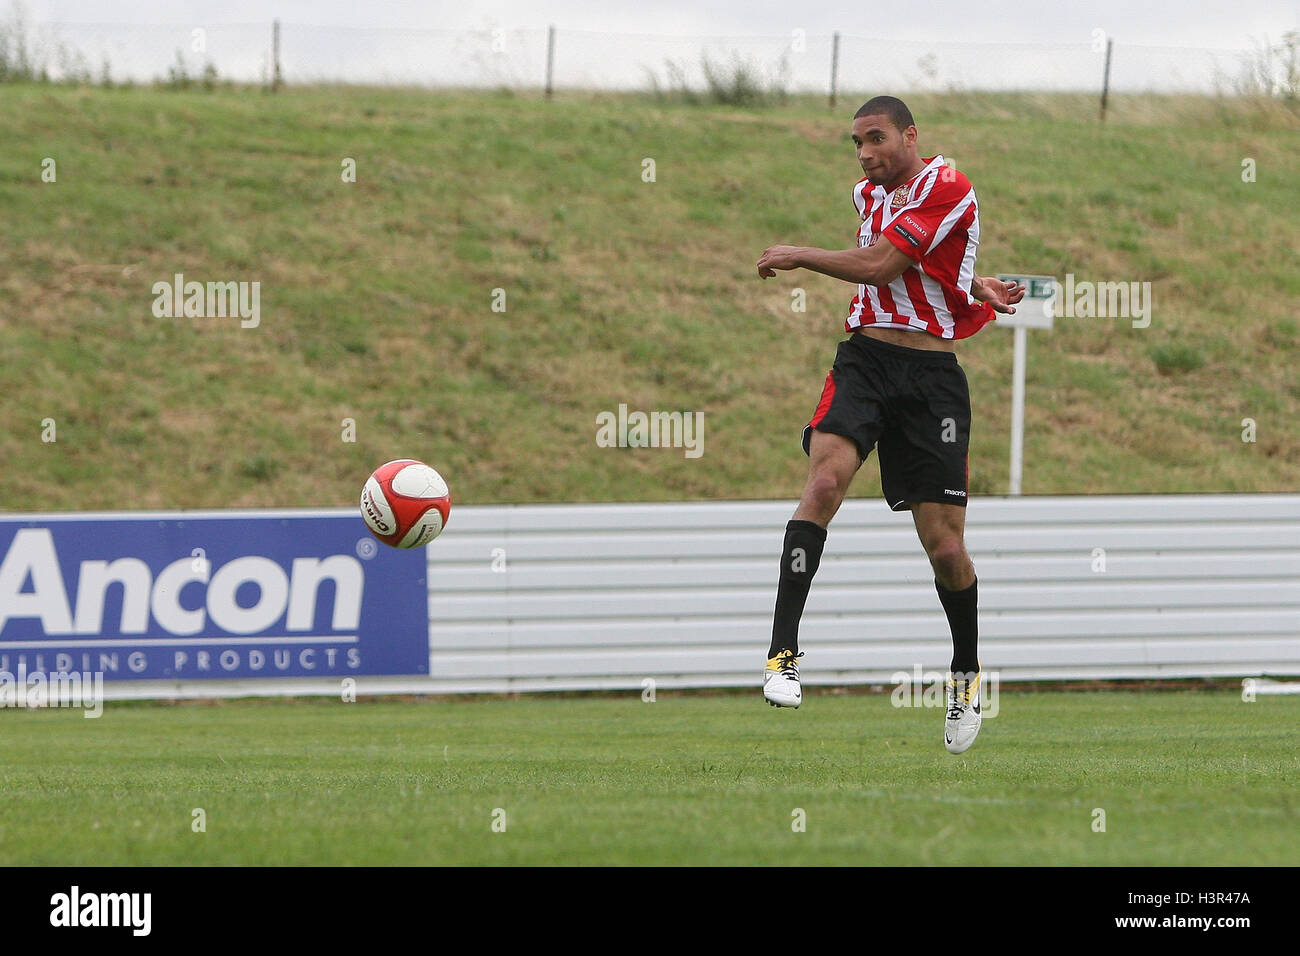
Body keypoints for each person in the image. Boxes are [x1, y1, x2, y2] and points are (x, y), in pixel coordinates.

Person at [755, 95, 1024, 754]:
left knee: (947, 549)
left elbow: (883, 264)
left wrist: (799, 253)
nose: (865, 153)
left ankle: (965, 677)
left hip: (931, 385)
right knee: (824, 484)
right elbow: (919, 264)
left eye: (875, 138)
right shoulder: (868, 194)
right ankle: (781, 656)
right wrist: (971, 280)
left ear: (910, 135)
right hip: (866, 363)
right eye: (856, 142)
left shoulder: (949, 183)